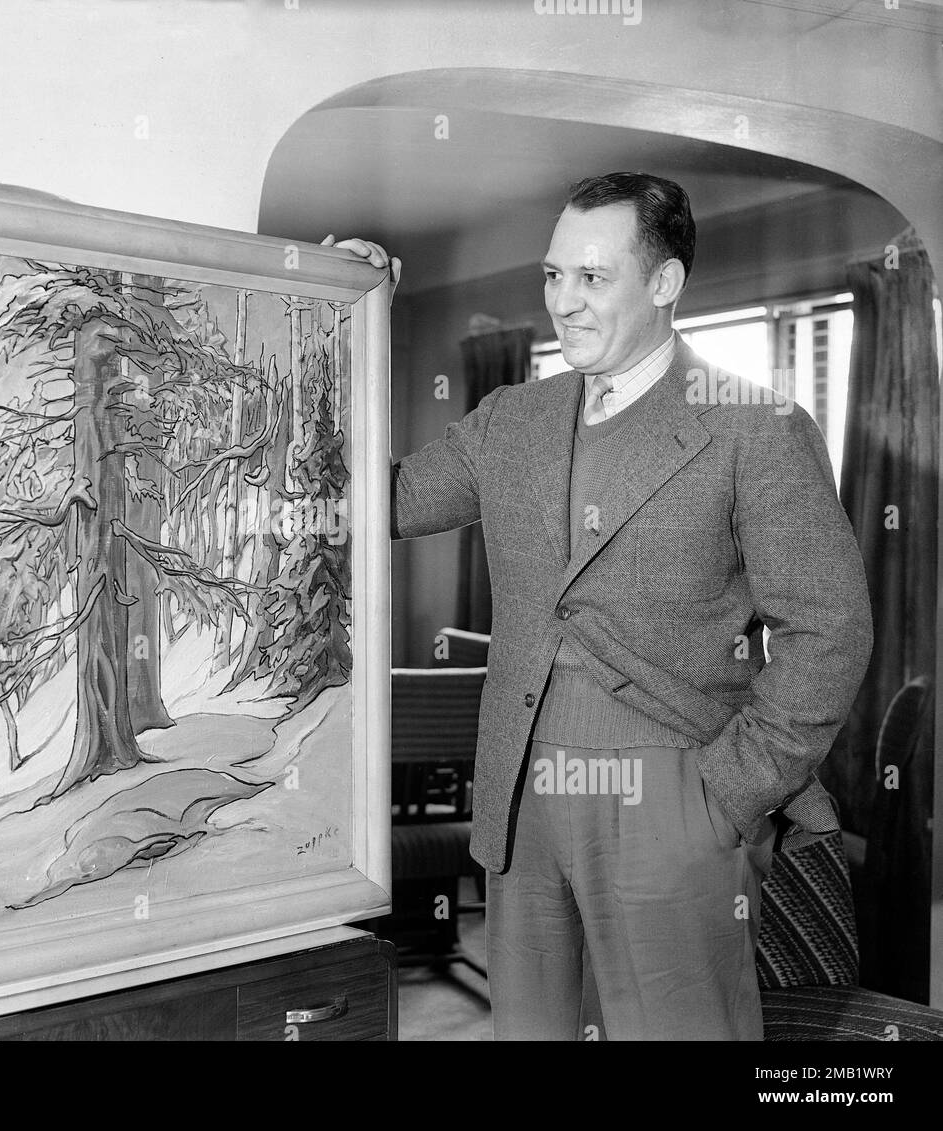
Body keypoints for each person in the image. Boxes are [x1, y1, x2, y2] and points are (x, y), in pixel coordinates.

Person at [325, 171, 873, 1040]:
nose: (564, 302)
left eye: (592, 277)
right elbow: (373, 501)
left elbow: (830, 632)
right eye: (553, 275)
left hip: (676, 798)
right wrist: (342, 321)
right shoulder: (512, 419)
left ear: (664, 284)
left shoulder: (755, 428)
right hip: (520, 796)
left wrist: (723, 797)